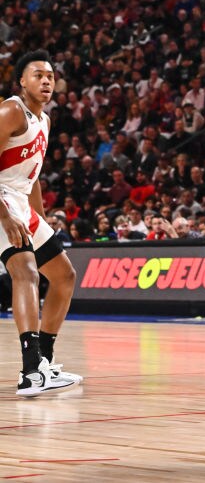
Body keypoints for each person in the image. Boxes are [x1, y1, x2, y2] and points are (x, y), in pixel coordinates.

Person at [0, 51, 82, 396]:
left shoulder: (44, 121)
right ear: (22, 81)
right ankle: (31, 372)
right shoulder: (11, 111)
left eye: (50, 76)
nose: (46, 81)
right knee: (27, 274)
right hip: (2, 200)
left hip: (22, 202)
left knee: (64, 276)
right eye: (38, 75)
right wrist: (5, 216)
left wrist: (42, 222)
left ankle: (44, 361)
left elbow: (32, 177)